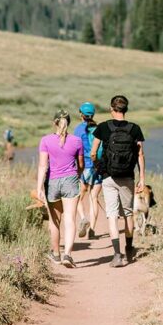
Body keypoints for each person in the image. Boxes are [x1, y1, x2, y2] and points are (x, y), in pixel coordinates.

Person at [92, 95, 145, 268]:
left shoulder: (102, 127)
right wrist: (142, 179)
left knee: (112, 215)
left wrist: (98, 166)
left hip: (108, 176)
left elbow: (93, 153)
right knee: (128, 214)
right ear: (126, 109)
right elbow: (140, 155)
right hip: (128, 177)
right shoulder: (135, 129)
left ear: (111, 108)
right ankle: (129, 251)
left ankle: (116, 255)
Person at [37, 109, 84, 268]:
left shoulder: (45, 140)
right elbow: (81, 165)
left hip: (52, 182)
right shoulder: (77, 141)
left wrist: (39, 188)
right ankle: (67, 255)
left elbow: (43, 166)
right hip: (70, 180)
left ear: (54, 123)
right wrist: (76, 175)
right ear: (68, 123)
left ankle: (56, 254)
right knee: (70, 219)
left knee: (54, 221)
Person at [73, 102, 103, 240]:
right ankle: (92, 230)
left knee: (79, 196)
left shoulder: (78, 129)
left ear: (81, 114)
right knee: (94, 198)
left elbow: (75, 150)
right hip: (98, 166)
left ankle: (83, 218)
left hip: (84, 165)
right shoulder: (98, 128)